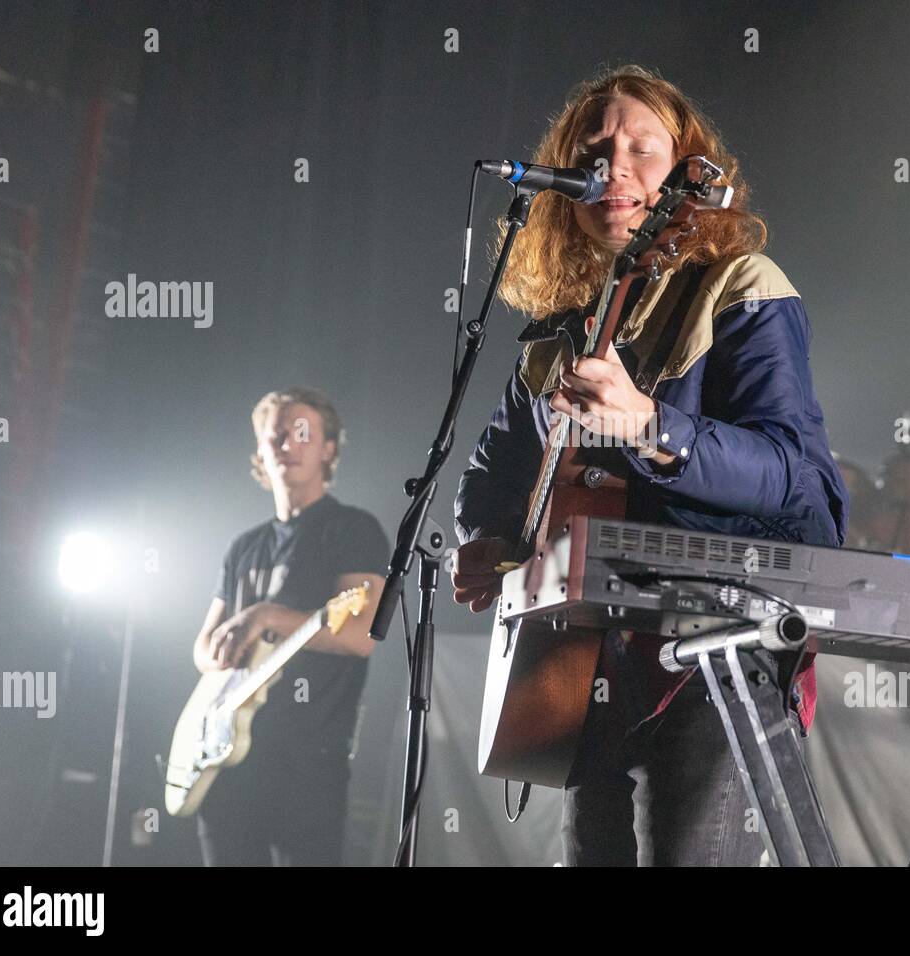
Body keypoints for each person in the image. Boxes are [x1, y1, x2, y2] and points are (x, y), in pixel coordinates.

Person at [451, 65, 848, 866]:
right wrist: (485, 537)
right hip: (576, 655)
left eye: (642, 148)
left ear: (684, 177)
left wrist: (648, 424)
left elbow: (796, 482)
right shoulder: (558, 329)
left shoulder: (742, 287)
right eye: (593, 151)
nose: (614, 168)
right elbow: (489, 475)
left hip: (715, 644)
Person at [191, 387, 390, 865]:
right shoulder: (244, 546)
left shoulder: (353, 530)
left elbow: (361, 637)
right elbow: (200, 650)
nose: (286, 443)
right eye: (273, 435)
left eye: (302, 432)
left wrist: (266, 616)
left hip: (309, 763)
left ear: (328, 448)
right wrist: (219, 651)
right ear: (260, 450)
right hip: (226, 759)